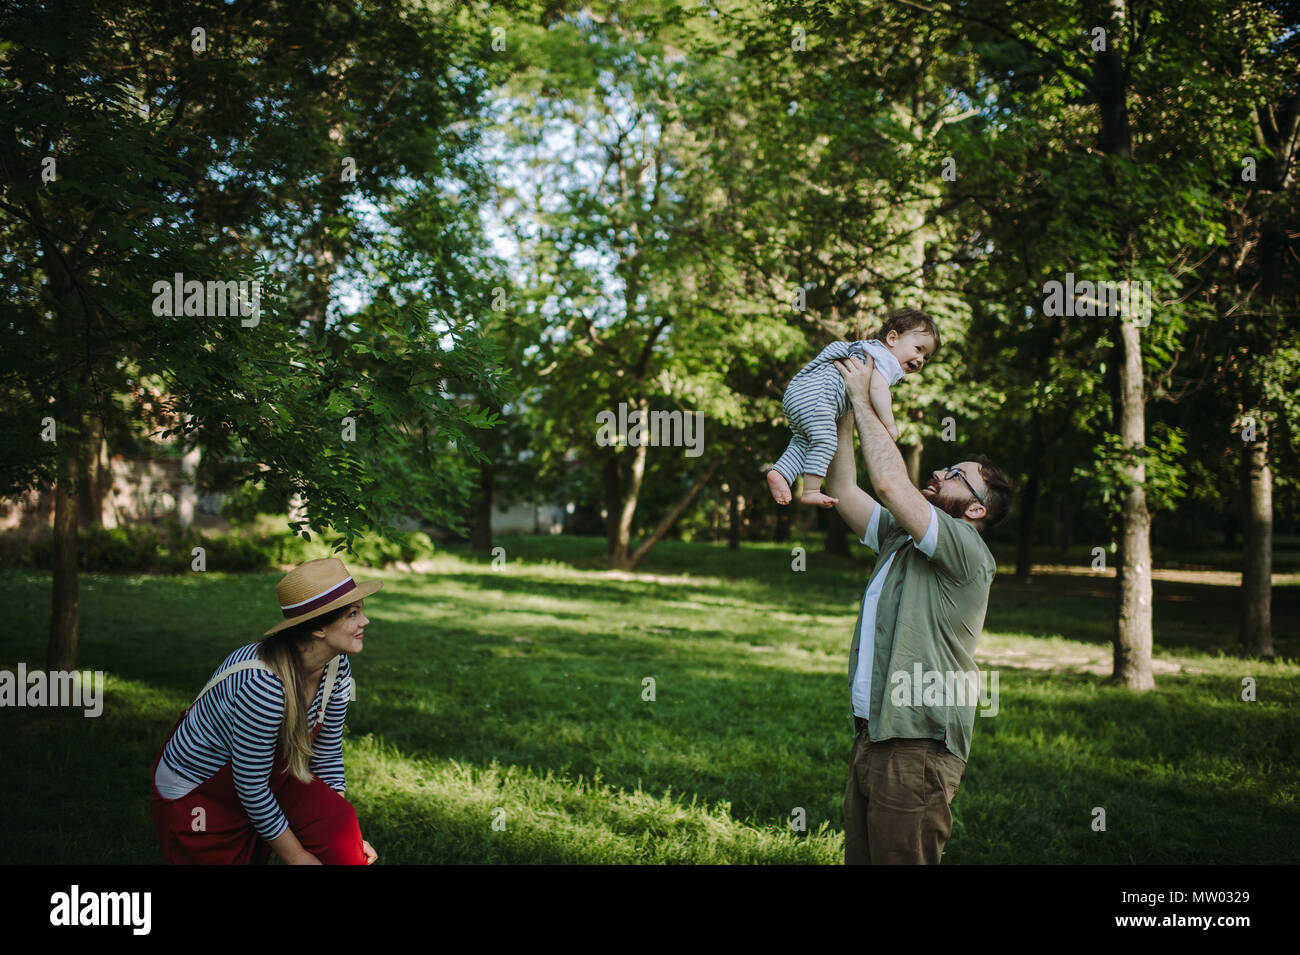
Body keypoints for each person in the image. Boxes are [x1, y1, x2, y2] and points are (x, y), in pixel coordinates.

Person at [825, 351, 1014, 865]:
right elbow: (843, 491)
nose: (938, 472)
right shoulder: (903, 538)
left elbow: (890, 483)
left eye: (954, 475)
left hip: (919, 745)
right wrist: (842, 408)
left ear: (975, 509)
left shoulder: (967, 549)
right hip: (874, 734)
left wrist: (867, 398)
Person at [150, 558, 381, 865]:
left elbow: (326, 755)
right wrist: (297, 856)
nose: (365, 621)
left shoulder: (337, 665)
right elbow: (250, 785)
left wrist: (341, 833)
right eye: (353, 614)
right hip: (202, 793)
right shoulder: (265, 685)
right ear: (320, 628)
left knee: (345, 851)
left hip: (267, 774)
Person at [767, 308, 940, 508]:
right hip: (818, 397)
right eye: (918, 349)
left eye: (926, 358)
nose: (920, 360)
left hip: (799, 395)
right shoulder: (886, 359)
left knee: (804, 441)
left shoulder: (869, 349)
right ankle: (811, 490)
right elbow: (877, 388)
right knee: (826, 440)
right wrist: (889, 424)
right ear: (892, 338)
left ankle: (780, 472)